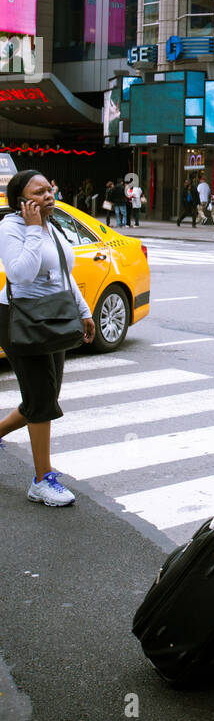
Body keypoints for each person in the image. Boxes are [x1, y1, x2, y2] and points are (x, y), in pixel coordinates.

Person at [0, 171, 95, 506]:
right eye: (39, 192)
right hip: (20, 318)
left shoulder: (51, 227)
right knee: (41, 398)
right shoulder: (11, 228)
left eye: (49, 189)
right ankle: (42, 480)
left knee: (45, 395)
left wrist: (84, 311)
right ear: (21, 202)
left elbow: (63, 276)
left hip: (52, 315)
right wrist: (31, 228)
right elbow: (21, 274)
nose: (48, 195)